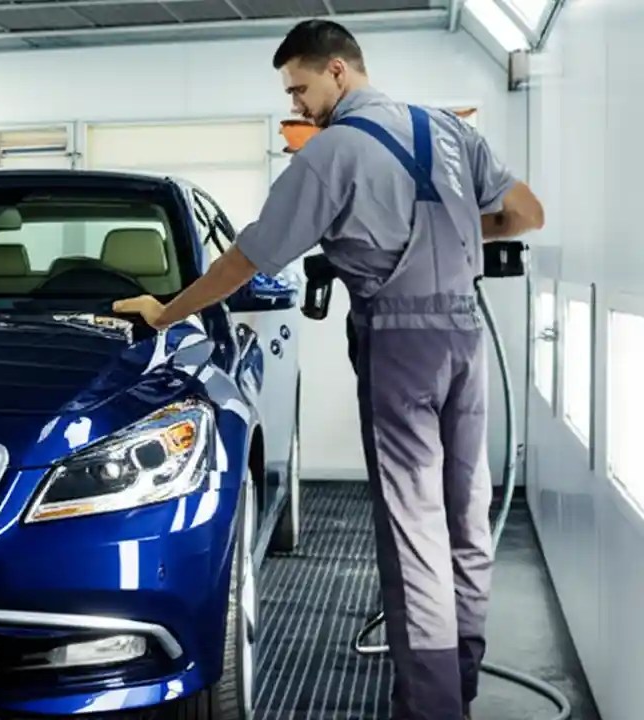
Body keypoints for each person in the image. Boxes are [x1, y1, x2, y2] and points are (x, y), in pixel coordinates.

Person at [113, 19, 545, 720]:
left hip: (400, 345)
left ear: (338, 72)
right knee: (468, 517)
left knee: (415, 531)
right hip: (466, 338)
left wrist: (164, 313)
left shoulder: (330, 154)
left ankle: (432, 710)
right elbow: (527, 213)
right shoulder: (450, 130)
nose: (299, 105)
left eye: (301, 87)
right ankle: (460, 687)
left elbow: (247, 259)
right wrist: (466, 225)